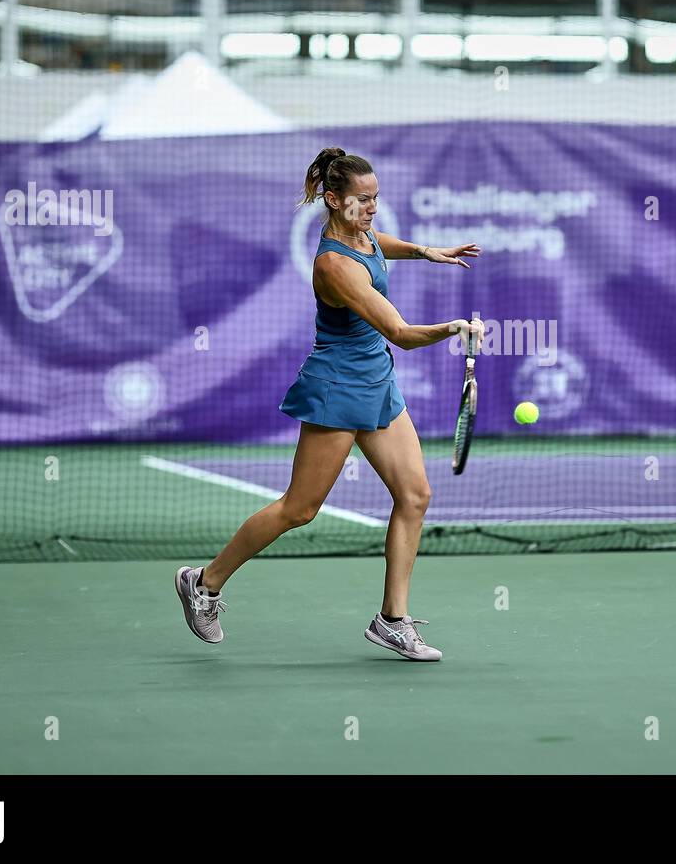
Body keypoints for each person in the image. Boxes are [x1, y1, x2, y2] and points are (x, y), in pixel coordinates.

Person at [176, 147, 483, 662]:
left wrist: (426, 251)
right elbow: (403, 334)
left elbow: (379, 246)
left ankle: (392, 620)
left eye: (376, 198)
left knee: (414, 495)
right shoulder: (335, 265)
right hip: (338, 386)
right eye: (362, 201)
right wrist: (454, 328)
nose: (372, 209)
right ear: (333, 200)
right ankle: (203, 583)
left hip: (376, 382)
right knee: (300, 509)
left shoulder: (360, 237)